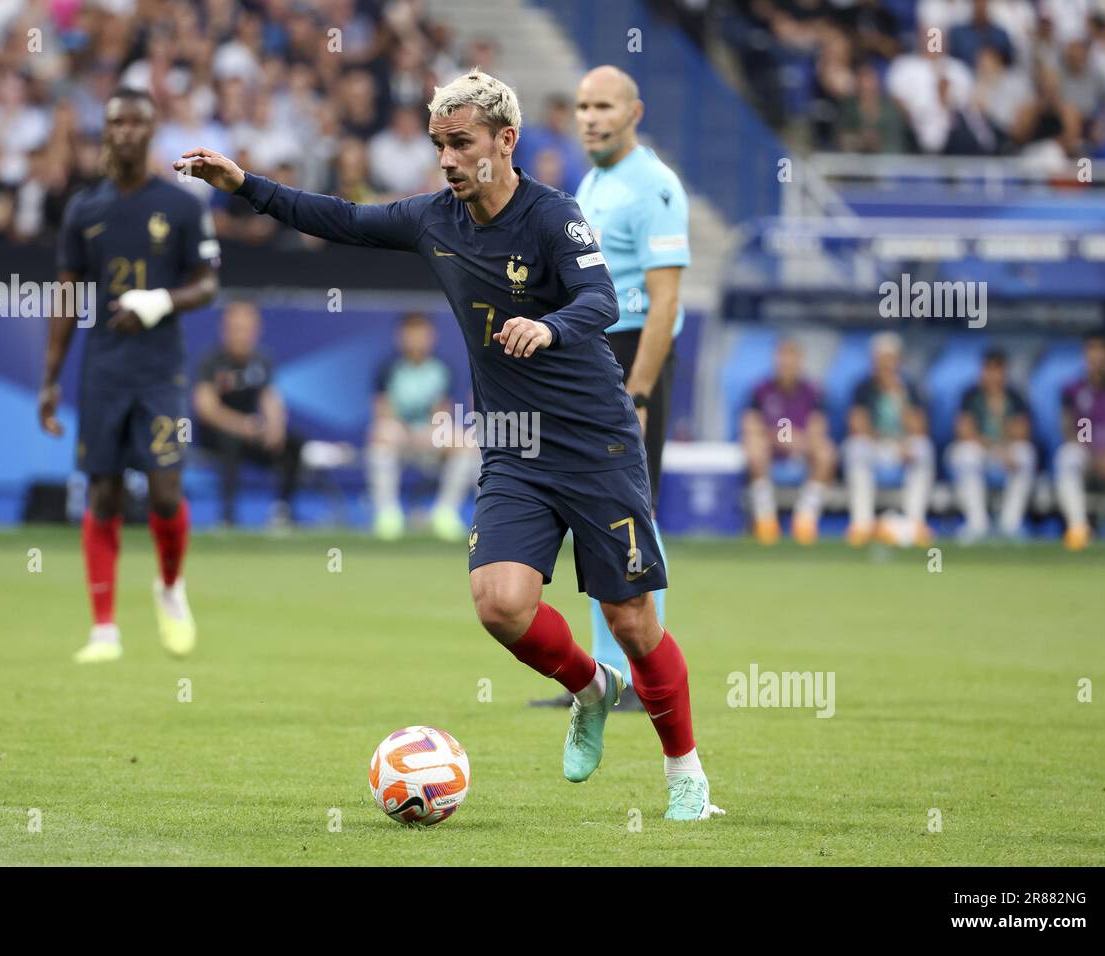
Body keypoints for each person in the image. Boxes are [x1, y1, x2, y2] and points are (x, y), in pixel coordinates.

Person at [176, 69, 723, 820]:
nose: (447, 159)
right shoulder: (435, 219)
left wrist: (551, 325)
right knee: (500, 603)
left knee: (632, 619)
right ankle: (593, 689)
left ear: (506, 140)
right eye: (439, 145)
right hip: (511, 446)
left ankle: (685, 773)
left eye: (461, 144)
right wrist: (244, 184)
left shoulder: (553, 217)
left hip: (597, 442)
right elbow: (339, 217)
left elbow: (602, 299)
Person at [39, 88, 220, 663]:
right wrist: (49, 379)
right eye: (115, 121)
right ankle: (104, 629)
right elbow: (66, 298)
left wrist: (159, 300)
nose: (124, 131)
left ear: (151, 129)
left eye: (136, 122)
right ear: (107, 130)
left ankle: (169, 586)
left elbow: (210, 284)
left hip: (161, 370)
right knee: (104, 488)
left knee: (165, 491)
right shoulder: (84, 209)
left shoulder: (184, 206)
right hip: (104, 370)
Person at [530, 65, 689, 712]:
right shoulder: (593, 181)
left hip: (632, 357)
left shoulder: (653, 186)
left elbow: (666, 301)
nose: (590, 117)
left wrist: (640, 391)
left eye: (603, 106)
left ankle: (641, 674)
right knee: (587, 517)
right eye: (582, 106)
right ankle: (603, 678)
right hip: (591, 354)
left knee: (631, 520)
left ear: (634, 112)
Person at [367, 311, 478, 542]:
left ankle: (444, 513)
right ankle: (388, 515)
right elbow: (382, 411)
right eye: (411, 334)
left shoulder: (441, 369)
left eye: (422, 334)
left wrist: (427, 433)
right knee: (381, 434)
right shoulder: (388, 368)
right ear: (401, 337)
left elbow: (441, 412)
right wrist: (407, 433)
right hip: (398, 433)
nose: (417, 339)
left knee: (467, 442)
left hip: (428, 433)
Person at [193, 301, 303, 529]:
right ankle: (228, 518)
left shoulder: (261, 360)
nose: (242, 335)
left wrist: (275, 425)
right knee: (230, 441)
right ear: (225, 329)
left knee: (294, 443)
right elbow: (206, 408)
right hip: (216, 434)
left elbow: (269, 397)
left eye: (247, 329)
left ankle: (282, 512)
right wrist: (241, 425)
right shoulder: (211, 361)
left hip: (250, 431)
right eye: (236, 328)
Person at [842, 332, 934, 546]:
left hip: (902, 445)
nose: (885, 365)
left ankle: (915, 522)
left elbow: (919, 428)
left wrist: (898, 397)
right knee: (855, 448)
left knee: (923, 448)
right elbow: (857, 426)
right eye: (881, 360)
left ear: (898, 361)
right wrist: (882, 440)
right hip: (874, 446)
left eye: (890, 359)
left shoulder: (910, 389)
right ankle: (862, 523)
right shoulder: (863, 388)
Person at [742, 338, 835, 545]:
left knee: (826, 452)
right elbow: (749, 423)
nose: (787, 365)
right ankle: (765, 520)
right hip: (770, 446)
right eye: (783, 359)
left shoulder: (812, 392)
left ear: (799, 362)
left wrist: (799, 441)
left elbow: (818, 426)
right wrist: (774, 436)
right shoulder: (761, 390)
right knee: (754, 447)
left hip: (801, 446)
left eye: (791, 360)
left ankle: (805, 519)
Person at [1055, 335, 1105, 550]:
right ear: (1085, 355)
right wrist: (1096, 458)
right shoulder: (1075, 391)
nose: (1097, 357)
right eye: (1093, 350)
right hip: (1089, 459)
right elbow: (1074, 430)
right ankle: (1079, 529)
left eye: (1102, 351)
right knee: (1068, 456)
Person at [945, 350, 1035, 542]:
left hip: (1004, 452)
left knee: (1025, 454)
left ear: (1005, 372)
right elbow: (964, 431)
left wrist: (999, 414)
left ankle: (1010, 525)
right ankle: (977, 524)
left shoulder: (1015, 397)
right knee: (967, 453)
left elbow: (1022, 432)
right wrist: (994, 447)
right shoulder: (970, 395)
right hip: (981, 451)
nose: (993, 376)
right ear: (982, 371)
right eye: (989, 370)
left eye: (998, 370)